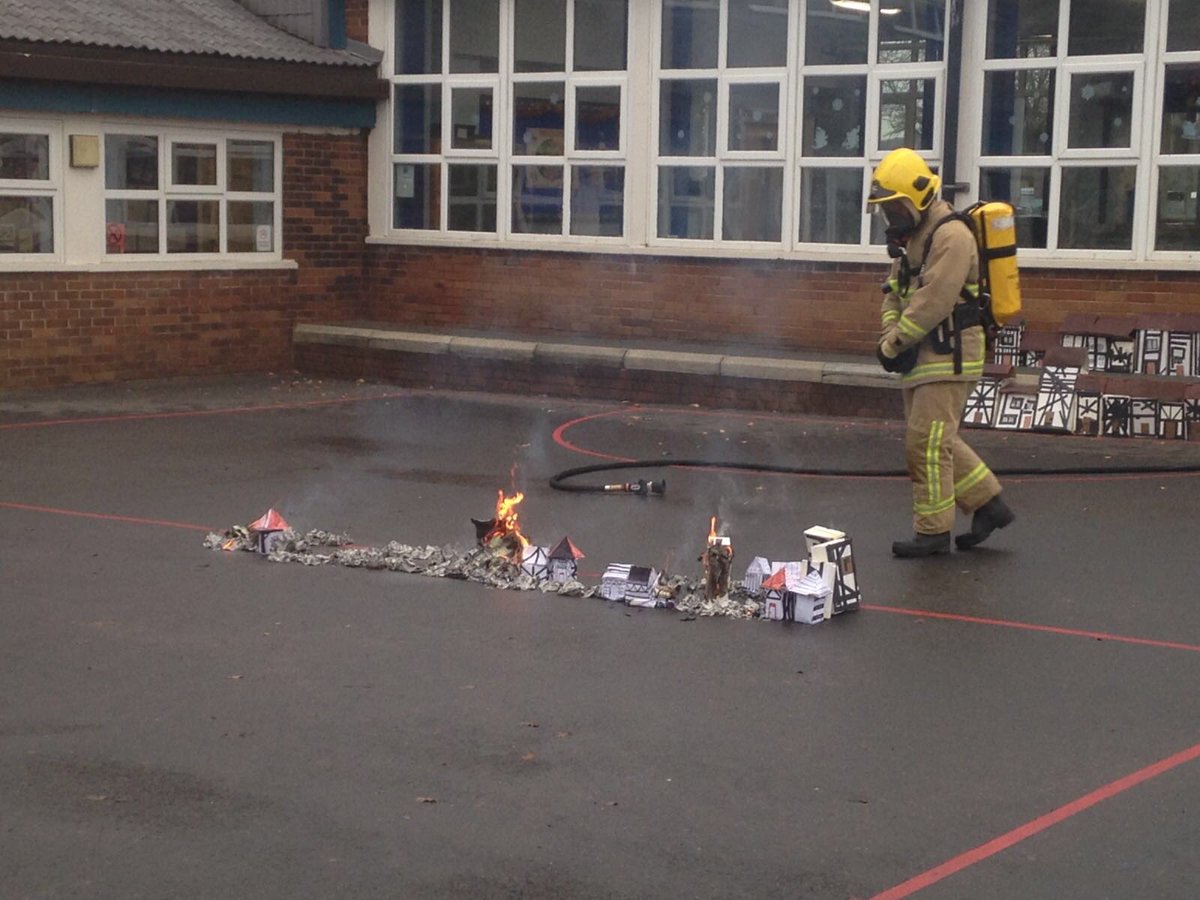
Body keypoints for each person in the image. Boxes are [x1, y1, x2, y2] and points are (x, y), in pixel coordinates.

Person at [866, 148, 1015, 558]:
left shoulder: (952, 237)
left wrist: (896, 344)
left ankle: (932, 533)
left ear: (917, 198)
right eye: (887, 212)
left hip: (949, 358)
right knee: (937, 440)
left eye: (895, 209)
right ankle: (989, 504)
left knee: (925, 444)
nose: (891, 219)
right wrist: (888, 338)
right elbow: (894, 296)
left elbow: (933, 301)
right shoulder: (913, 240)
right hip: (922, 356)